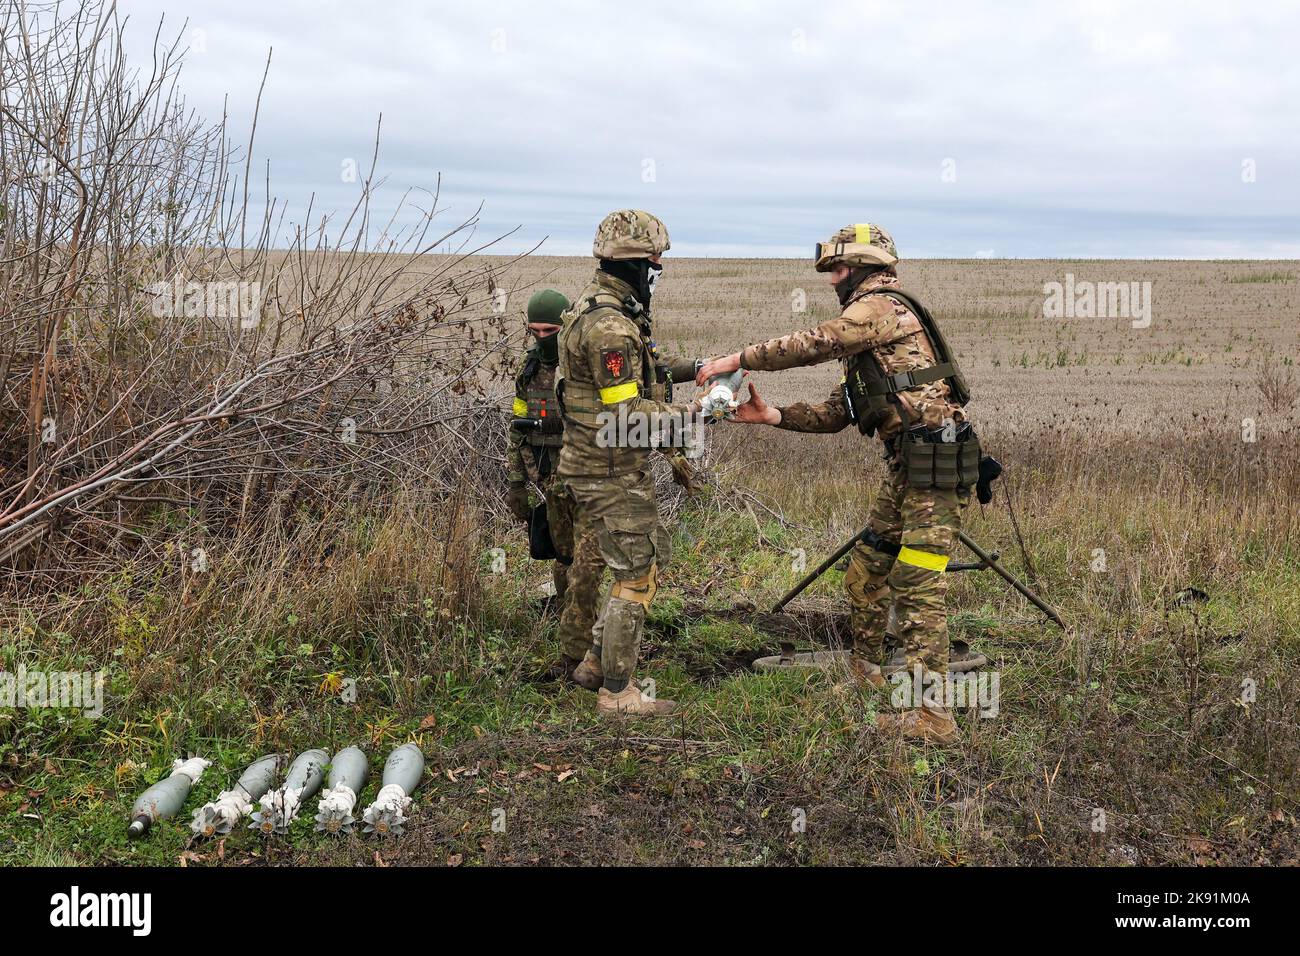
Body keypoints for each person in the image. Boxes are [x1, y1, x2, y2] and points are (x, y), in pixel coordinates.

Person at [697, 223, 979, 745]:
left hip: (937, 463)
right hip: (908, 465)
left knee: (917, 582)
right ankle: (865, 669)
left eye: (840, 269)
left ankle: (933, 717)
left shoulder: (880, 307)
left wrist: (737, 360)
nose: (832, 281)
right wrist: (773, 415)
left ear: (867, 268)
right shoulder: (869, 337)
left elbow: (817, 342)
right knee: (868, 568)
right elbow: (840, 410)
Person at [552, 209, 701, 717]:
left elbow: (639, 383)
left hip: (599, 464)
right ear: (637, 265)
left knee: (640, 562)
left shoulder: (595, 309)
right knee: (635, 576)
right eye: (654, 267)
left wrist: (697, 370)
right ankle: (617, 693)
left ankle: (594, 662)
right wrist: (697, 415)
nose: (655, 276)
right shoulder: (611, 327)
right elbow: (627, 413)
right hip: (608, 470)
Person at [505, 289, 604, 677]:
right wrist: (517, 483)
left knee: (585, 562)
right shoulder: (528, 372)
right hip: (549, 479)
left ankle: (583, 652)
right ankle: (571, 626)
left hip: (589, 479)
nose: (542, 337)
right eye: (535, 330)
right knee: (562, 557)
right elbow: (517, 428)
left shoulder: (582, 366)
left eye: (550, 329)